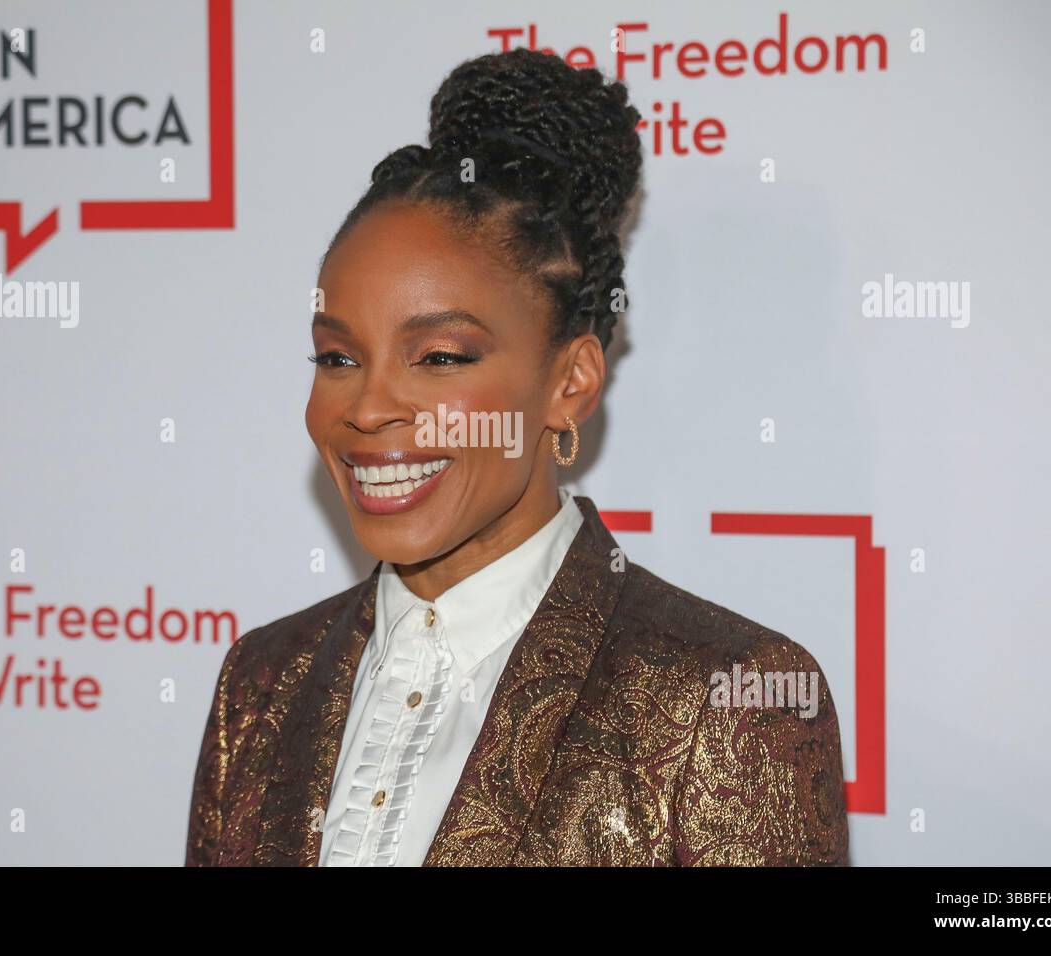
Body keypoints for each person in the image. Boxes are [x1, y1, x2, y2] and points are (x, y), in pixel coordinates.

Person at [186, 48, 849, 866]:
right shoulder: (258, 686)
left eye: (440, 357)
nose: (365, 408)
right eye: (337, 358)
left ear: (569, 382)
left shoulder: (732, 699)